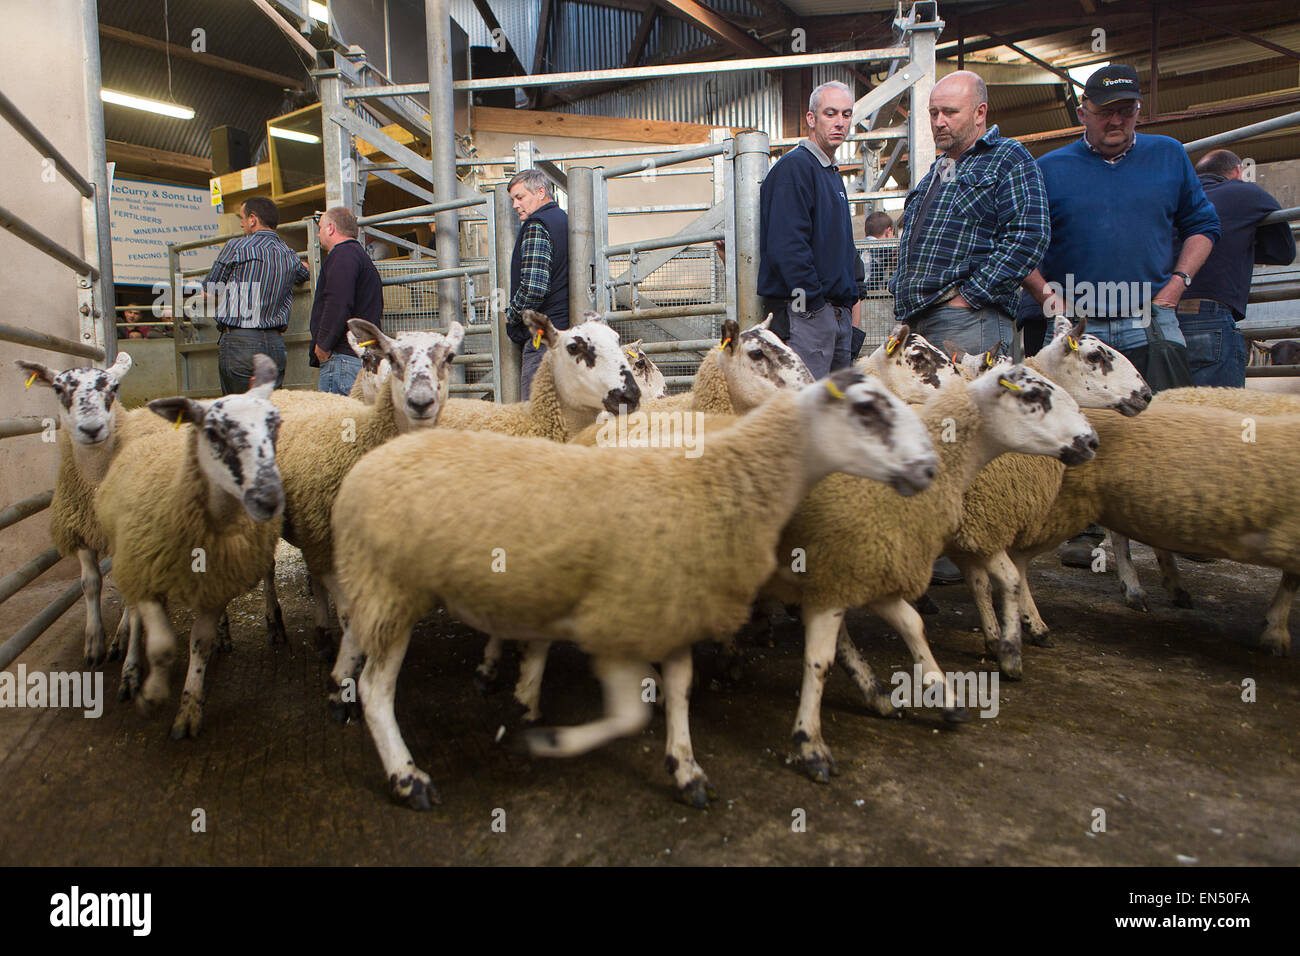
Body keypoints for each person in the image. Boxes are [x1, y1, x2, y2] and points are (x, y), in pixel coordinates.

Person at [1020, 64, 1220, 568]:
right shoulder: (1050, 168)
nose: (1116, 120)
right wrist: (1049, 298)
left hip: (1148, 313)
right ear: (1082, 111)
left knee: (1165, 416)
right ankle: (1081, 526)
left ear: (1138, 111)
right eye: (1105, 110)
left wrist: (1178, 285)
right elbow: (1024, 244)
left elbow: (1202, 224)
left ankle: (1174, 524)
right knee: (1073, 418)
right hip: (1077, 321)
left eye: (1126, 109)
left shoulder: (1168, 155)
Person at [892, 70, 1049, 357]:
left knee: (972, 402)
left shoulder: (1007, 157)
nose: (939, 122)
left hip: (970, 320)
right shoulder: (935, 173)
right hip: (920, 320)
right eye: (933, 113)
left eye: (950, 112)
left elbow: (1028, 236)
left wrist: (969, 298)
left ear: (980, 113)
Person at [758, 80, 865, 379]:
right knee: (807, 409)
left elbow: (842, 246)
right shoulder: (795, 168)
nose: (839, 123)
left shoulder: (831, 173)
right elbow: (787, 245)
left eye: (846, 114)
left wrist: (852, 299)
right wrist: (814, 306)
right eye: (830, 113)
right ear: (811, 118)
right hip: (807, 315)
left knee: (835, 412)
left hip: (835, 314)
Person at [1178, 149, 1296, 387]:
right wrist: (1241, 242)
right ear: (1237, 171)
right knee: (1220, 415)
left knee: (1171, 413)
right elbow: (1284, 252)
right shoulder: (1245, 192)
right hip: (1206, 317)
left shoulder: (1174, 198)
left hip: (1156, 317)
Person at [203, 196, 309, 393]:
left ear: (253, 219)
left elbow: (210, 288)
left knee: (238, 412)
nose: (242, 224)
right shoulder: (289, 255)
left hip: (240, 343)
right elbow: (306, 273)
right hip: (275, 345)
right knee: (268, 412)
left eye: (242, 218)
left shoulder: (237, 247)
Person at [503, 169, 569, 399]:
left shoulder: (537, 225)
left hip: (543, 334)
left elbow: (534, 287)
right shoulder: (565, 220)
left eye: (519, 197)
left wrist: (511, 315)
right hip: (567, 330)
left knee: (536, 410)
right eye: (513, 199)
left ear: (541, 192)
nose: (514, 205)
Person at [309, 206, 384, 396]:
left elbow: (338, 303)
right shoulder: (358, 256)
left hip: (342, 358)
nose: (318, 235)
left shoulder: (342, 256)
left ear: (331, 228)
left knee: (339, 423)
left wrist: (323, 344)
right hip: (359, 357)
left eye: (320, 229)